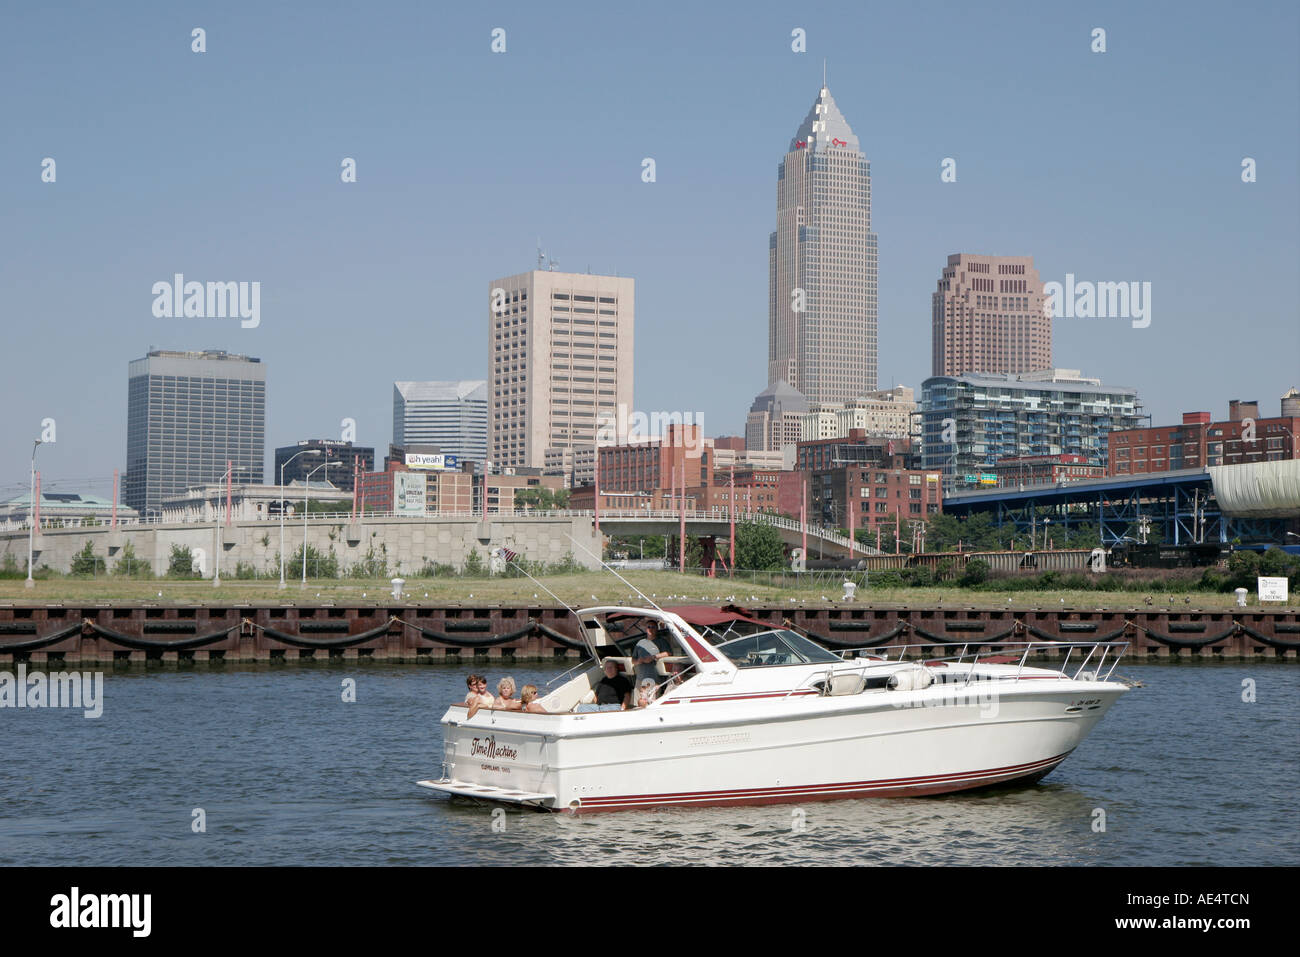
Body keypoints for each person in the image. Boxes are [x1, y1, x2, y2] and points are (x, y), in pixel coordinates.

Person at [633, 621, 672, 688]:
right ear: (646, 629)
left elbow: (668, 653)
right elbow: (633, 660)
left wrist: (653, 657)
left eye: (653, 627)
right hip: (640, 679)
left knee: (653, 698)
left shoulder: (662, 641)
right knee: (639, 698)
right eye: (648, 627)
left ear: (657, 629)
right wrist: (639, 661)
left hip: (655, 678)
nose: (650, 629)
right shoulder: (640, 642)